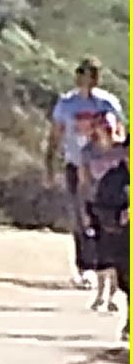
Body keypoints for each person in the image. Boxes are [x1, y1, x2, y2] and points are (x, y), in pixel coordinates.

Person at [45, 57, 126, 289]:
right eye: (87, 74)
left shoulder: (108, 103)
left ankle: (107, 269)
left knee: (107, 219)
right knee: (81, 217)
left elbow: (120, 132)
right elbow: (56, 135)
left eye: (94, 75)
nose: (90, 80)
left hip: (107, 169)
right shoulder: (67, 104)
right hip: (76, 163)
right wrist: (50, 162)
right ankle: (85, 267)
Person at [78, 112, 129, 314]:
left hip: (122, 208)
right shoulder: (88, 153)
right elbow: (84, 183)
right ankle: (101, 294)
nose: (106, 129)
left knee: (122, 259)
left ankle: (115, 296)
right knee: (104, 256)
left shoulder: (123, 149)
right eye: (102, 126)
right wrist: (85, 210)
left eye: (109, 125)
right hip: (99, 206)